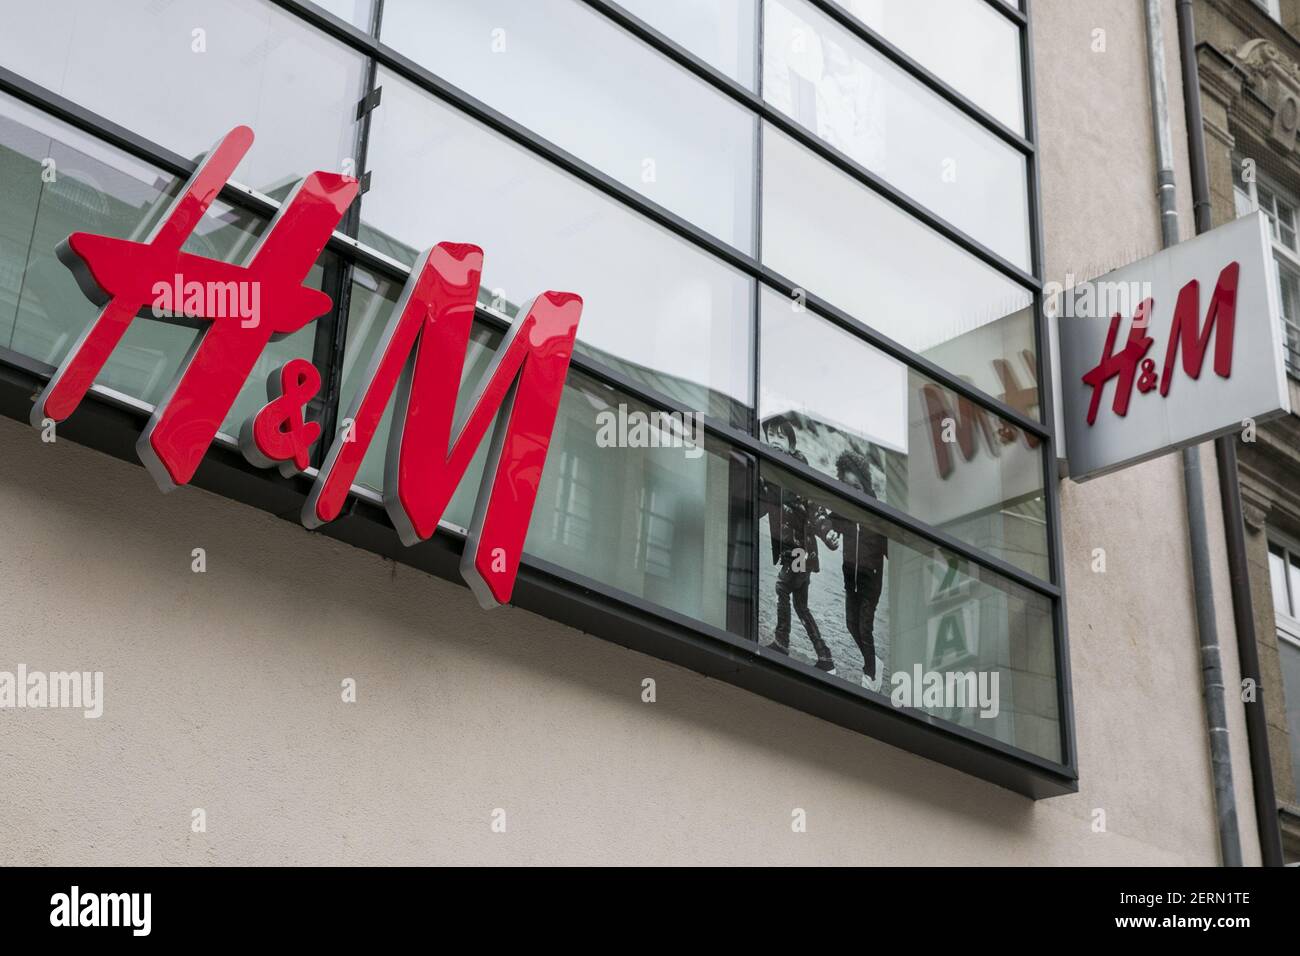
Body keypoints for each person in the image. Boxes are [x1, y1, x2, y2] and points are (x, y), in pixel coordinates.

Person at [760, 420, 840, 674]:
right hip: (789, 550)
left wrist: (829, 536)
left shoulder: (798, 476)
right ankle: (825, 657)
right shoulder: (771, 477)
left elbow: (816, 511)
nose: (774, 440)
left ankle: (781, 643)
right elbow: (763, 505)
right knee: (801, 606)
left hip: (800, 550)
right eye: (770, 435)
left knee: (782, 586)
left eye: (781, 437)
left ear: (792, 445)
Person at [830, 450, 888, 690]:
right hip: (849, 579)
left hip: (870, 583)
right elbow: (832, 524)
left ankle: (870, 675)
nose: (853, 492)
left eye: (857, 487)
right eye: (847, 486)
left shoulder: (877, 515)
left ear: (866, 484)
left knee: (865, 628)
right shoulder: (844, 510)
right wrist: (829, 533)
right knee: (850, 624)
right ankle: (873, 661)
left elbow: (891, 548)